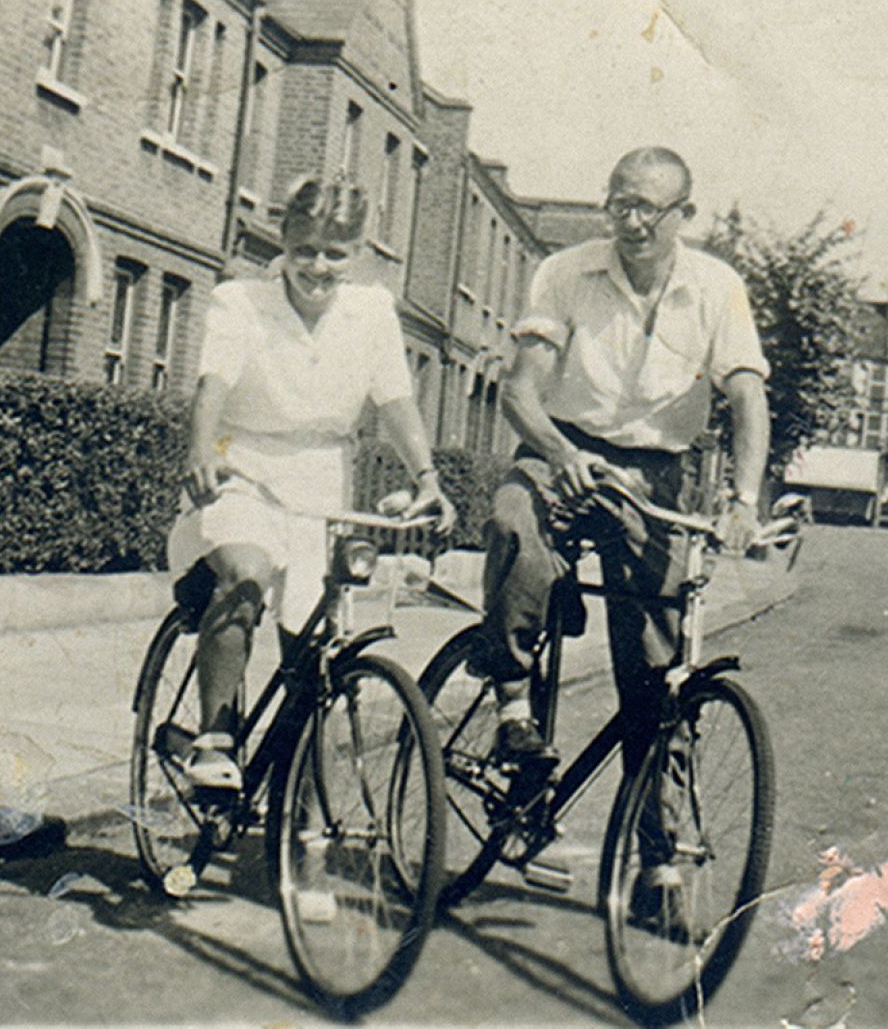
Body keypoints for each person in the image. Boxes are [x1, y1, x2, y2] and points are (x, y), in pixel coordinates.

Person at [480, 145, 770, 912]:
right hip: (563, 447)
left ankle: (657, 861)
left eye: (648, 207)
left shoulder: (717, 288)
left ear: (684, 215)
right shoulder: (566, 272)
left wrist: (743, 499)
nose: (632, 221)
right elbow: (520, 391)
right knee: (515, 521)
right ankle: (513, 711)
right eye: (620, 203)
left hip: (655, 472)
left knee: (656, 673)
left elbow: (747, 397)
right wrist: (560, 453)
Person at [167, 174, 455, 792]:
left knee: (314, 649)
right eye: (304, 250)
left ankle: (294, 800)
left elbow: (396, 400)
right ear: (284, 242)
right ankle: (214, 739)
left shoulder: (372, 310)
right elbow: (213, 384)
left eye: (335, 253)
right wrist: (201, 449)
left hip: (322, 476)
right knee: (246, 575)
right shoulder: (240, 301)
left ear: (359, 252)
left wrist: (428, 478)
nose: (318, 267)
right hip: (242, 463)